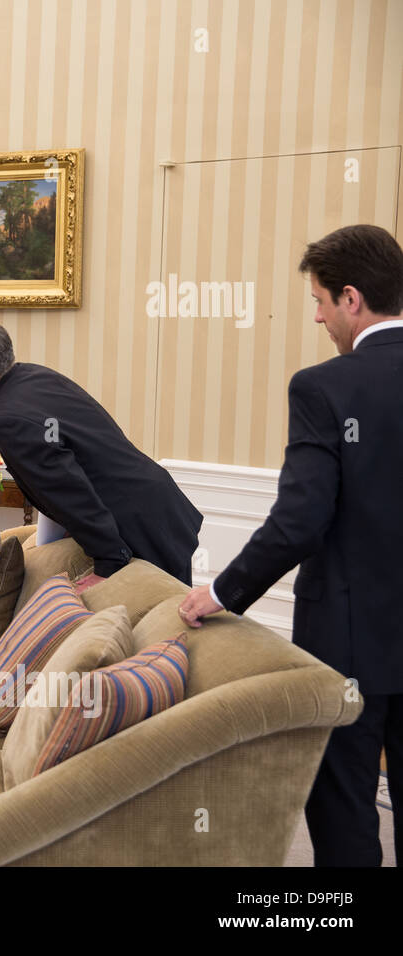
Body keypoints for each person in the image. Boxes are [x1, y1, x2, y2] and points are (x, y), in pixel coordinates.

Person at [179, 224, 403, 866]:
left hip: (350, 638)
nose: (318, 316)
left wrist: (223, 592)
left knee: (342, 802)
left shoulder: (324, 387)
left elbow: (301, 519)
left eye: (320, 301)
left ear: (352, 299)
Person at [0, 319, 202, 586]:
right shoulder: (35, 376)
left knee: (167, 619)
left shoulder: (8, 418)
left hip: (139, 524)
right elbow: (80, 452)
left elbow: (67, 489)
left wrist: (108, 562)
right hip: (157, 501)